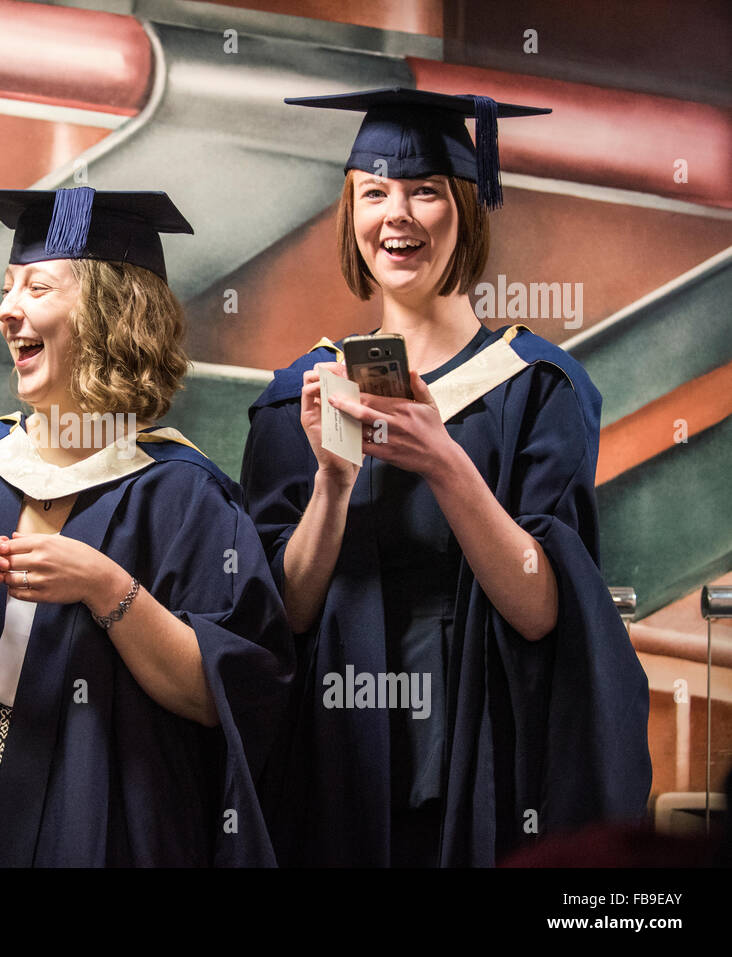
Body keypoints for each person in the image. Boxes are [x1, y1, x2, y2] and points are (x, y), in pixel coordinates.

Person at [242, 88, 651, 866]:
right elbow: (282, 617)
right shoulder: (304, 392)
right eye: (374, 192)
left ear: (465, 205)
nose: (396, 214)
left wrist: (442, 458)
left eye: (425, 190)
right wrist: (331, 482)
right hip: (338, 760)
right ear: (350, 214)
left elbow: (540, 610)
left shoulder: (536, 387)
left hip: (481, 758)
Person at [0, 186, 294, 866]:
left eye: (37, 287)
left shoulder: (184, 498)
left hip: (108, 836)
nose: (5, 309)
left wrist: (108, 589)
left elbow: (222, 695)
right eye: (6, 288)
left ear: (112, 312)